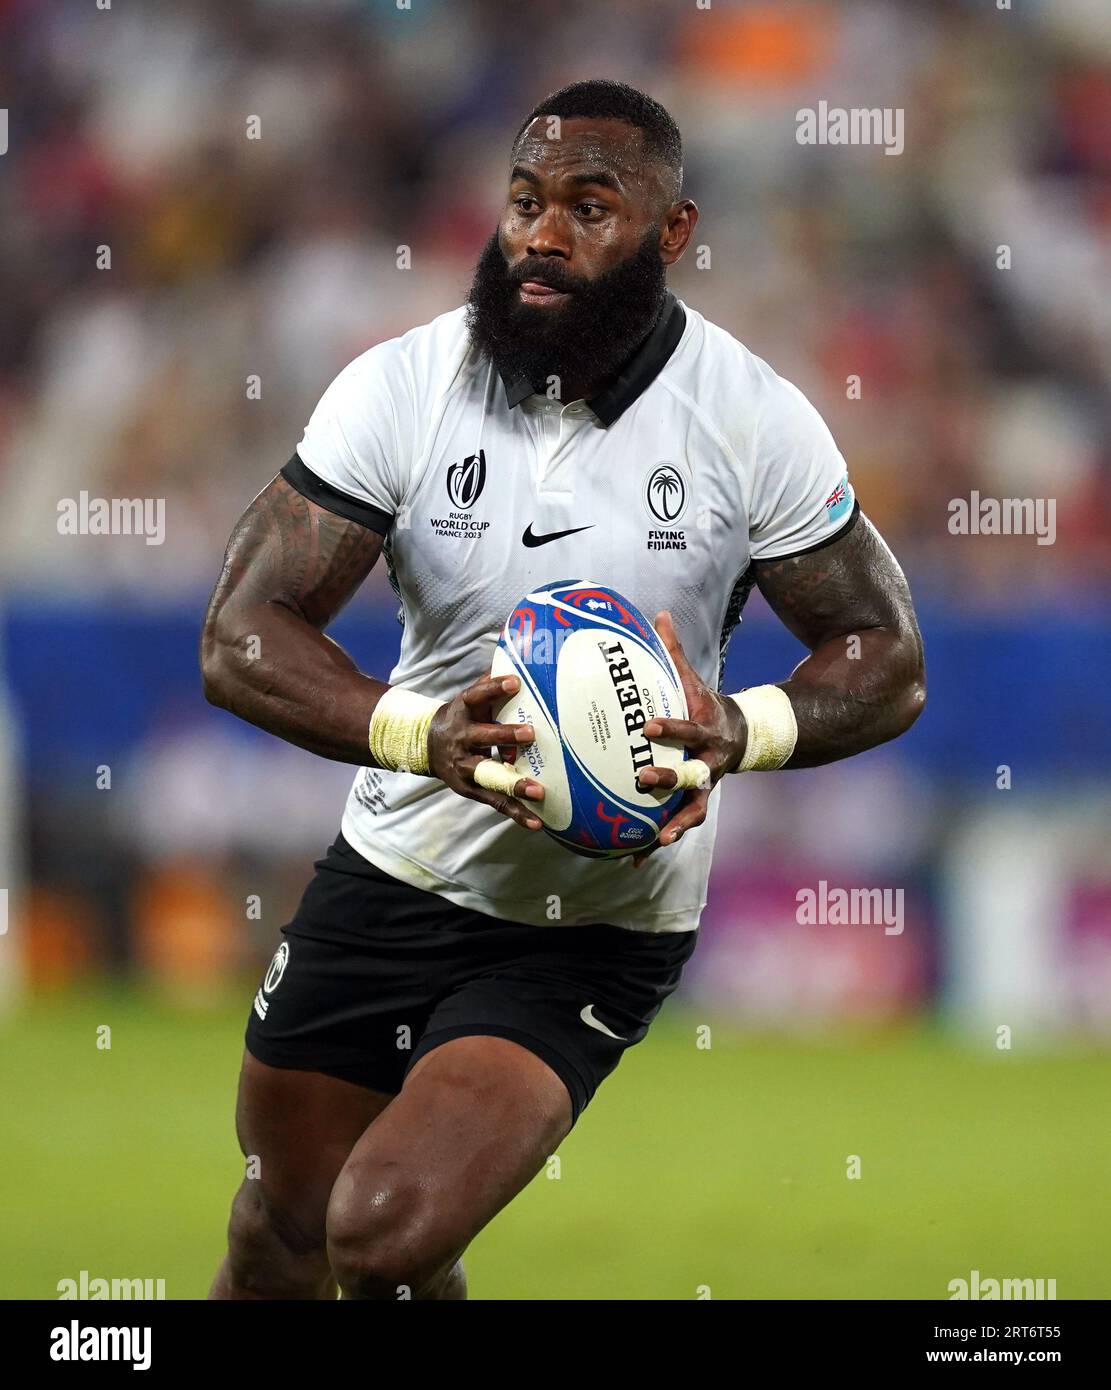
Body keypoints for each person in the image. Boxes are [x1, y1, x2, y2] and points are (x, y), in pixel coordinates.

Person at [201, 79, 925, 1301]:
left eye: (591, 207)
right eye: (527, 202)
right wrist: (415, 732)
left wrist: (739, 729)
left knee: (380, 1228)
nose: (542, 234)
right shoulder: (403, 387)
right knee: (287, 1224)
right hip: (394, 868)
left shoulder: (751, 421)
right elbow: (239, 636)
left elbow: (885, 654)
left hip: (592, 918)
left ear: (673, 232)